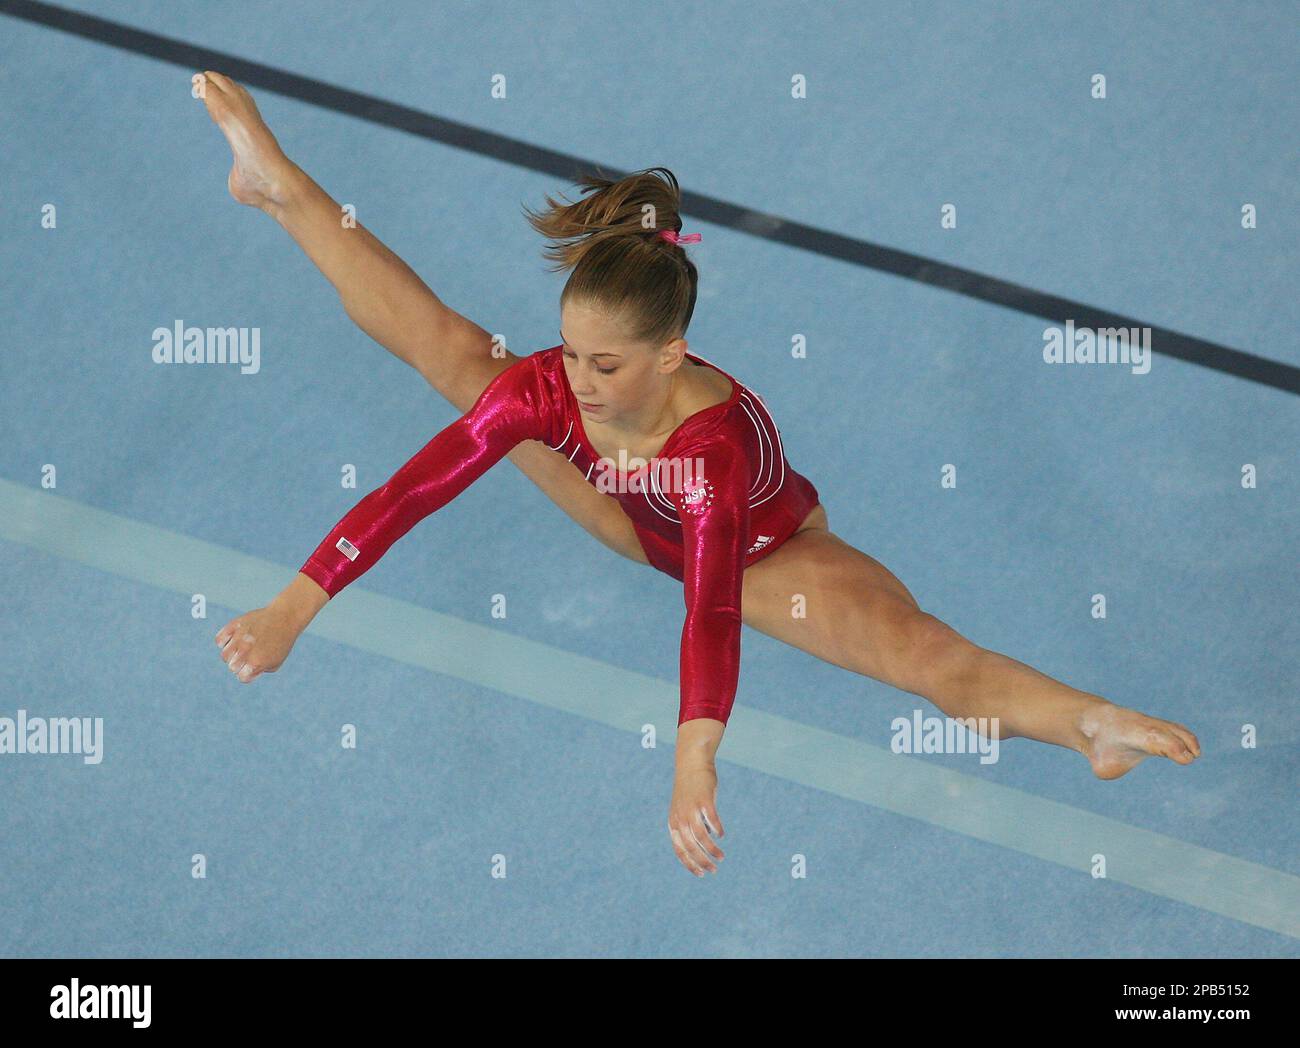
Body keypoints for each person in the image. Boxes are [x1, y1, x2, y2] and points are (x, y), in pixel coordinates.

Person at [197, 72, 1201, 879]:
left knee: (919, 653)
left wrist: (693, 764)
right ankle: (281, 187)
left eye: (605, 365)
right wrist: (293, 607)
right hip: (622, 505)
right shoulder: (551, 390)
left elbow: (710, 611)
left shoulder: (710, 452)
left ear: (671, 356)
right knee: (459, 354)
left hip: (767, 554)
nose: (575, 384)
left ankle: (1084, 722)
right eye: (567, 354)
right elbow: (410, 491)